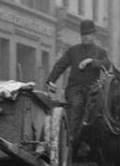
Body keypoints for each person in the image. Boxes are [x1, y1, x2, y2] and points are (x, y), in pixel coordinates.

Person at [46, 19, 108, 152]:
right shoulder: (73, 51)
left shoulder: (100, 52)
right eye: (83, 35)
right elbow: (60, 65)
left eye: (88, 35)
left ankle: (99, 142)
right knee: (75, 109)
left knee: (100, 113)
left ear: (94, 36)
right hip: (75, 90)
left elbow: (107, 65)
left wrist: (92, 61)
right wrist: (51, 80)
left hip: (94, 91)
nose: (86, 37)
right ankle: (71, 143)